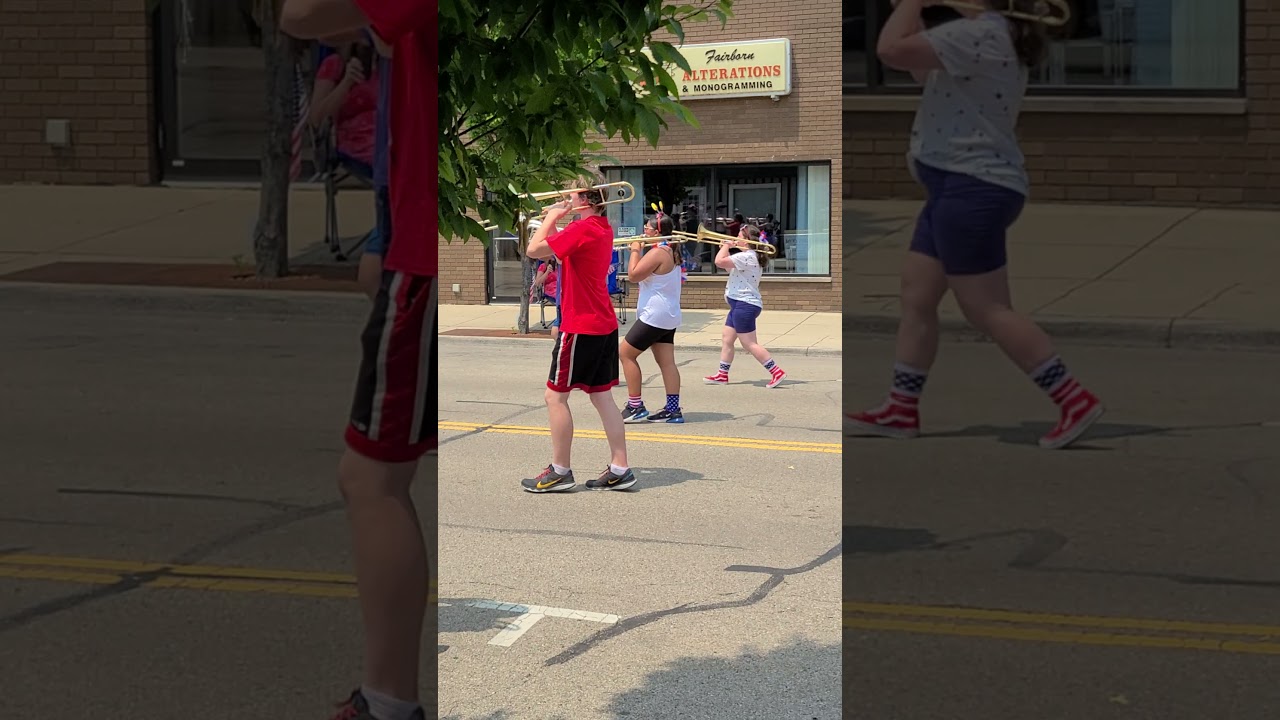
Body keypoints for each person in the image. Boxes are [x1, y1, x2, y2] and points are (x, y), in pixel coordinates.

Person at [844, 0, 1104, 450]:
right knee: (918, 293)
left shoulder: (979, 33)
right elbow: (920, 70)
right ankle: (900, 408)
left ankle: (1073, 399)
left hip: (971, 189)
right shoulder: (977, 35)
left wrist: (910, 4)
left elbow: (889, 51)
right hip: (958, 187)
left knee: (987, 309)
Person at [281, 2, 435, 719]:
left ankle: (388, 703)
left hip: (426, 252)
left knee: (372, 475)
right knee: (375, 474)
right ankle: (385, 699)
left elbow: (301, 14)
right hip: (412, 235)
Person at [521, 186, 635, 493]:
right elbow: (561, 247)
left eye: (570, 195)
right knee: (602, 397)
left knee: (554, 397)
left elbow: (534, 249)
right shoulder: (599, 227)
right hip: (602, 324)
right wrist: (557, 221)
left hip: (580, 325)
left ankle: (559, 470)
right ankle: (620, 468)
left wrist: (551, 218)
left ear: (584, 200)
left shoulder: (584, 228)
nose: (565, 199)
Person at [703, 225, 788, 389]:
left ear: (747, 240)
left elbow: (719, 262)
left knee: (749, 344)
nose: (736, 238)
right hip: (739, 304)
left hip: (744, 305)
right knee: (727, 338)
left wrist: (726, 245)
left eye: (739, 236)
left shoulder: (748, 257)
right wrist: (725, 248)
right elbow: (727, 266)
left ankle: (776, 371)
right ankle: (722, 374)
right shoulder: (746, 256)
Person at [619, 212, 684, 424]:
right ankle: (673, 410)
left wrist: (635, 250)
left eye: (646, 228)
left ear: (656, 232)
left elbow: (633, 275)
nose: (643, 231)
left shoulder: (658, 252)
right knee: (666, 363)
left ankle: (635, 406)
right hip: (668, 314)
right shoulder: (670, 250)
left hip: (655, 315)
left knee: (625, 353)